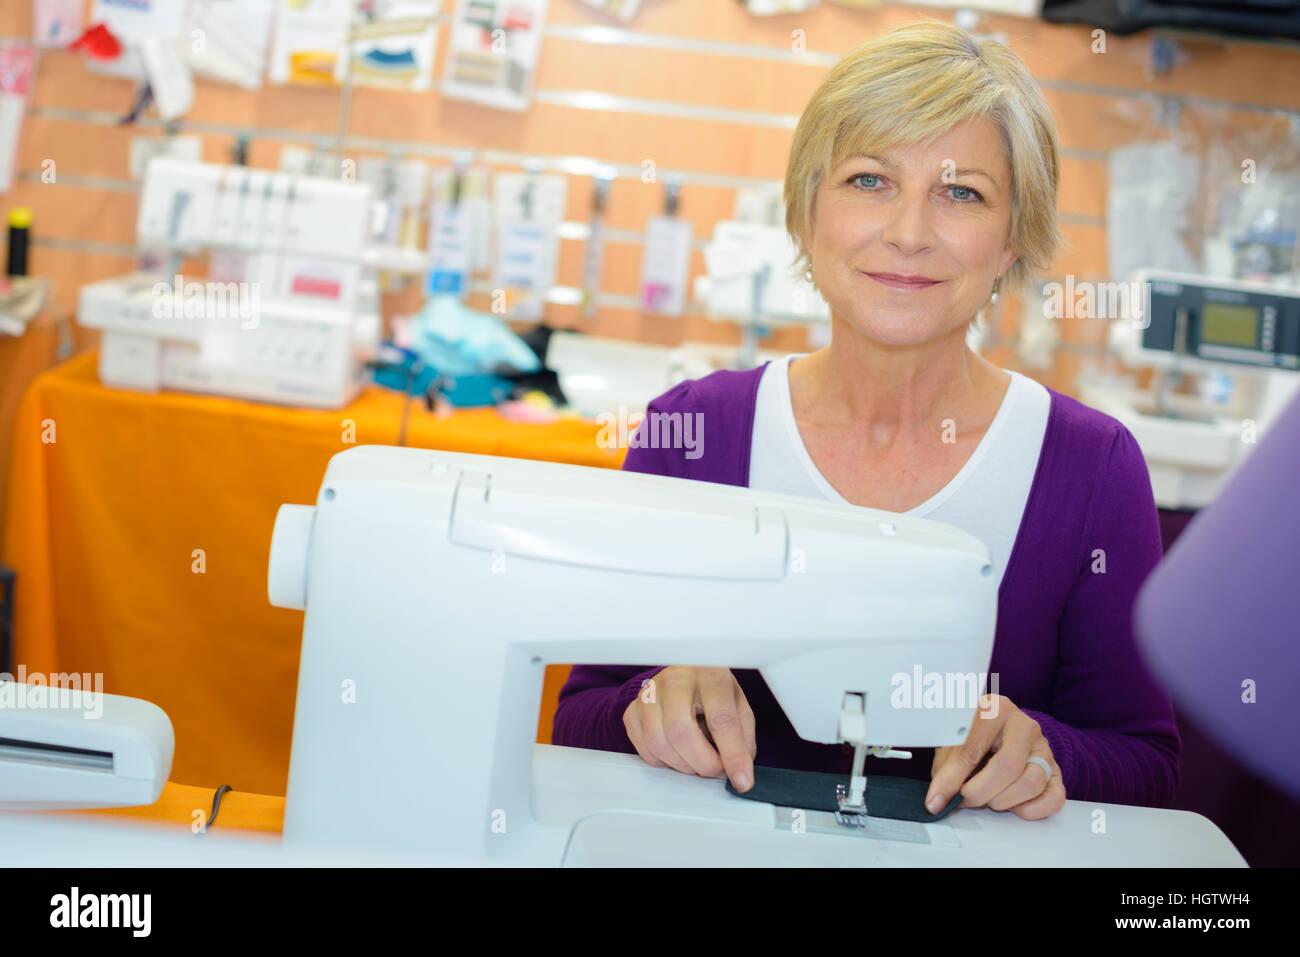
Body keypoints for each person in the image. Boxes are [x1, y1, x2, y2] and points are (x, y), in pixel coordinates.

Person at [553, 20, 1179, 820]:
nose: (909, 233)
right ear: (806, 213)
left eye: (961, 193)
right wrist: (648, 705)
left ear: (1014, 241)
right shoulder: (694, 433)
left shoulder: (1091, 466)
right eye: (869, 181)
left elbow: (1147, 765)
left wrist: (1045, 750)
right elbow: (579, 719)